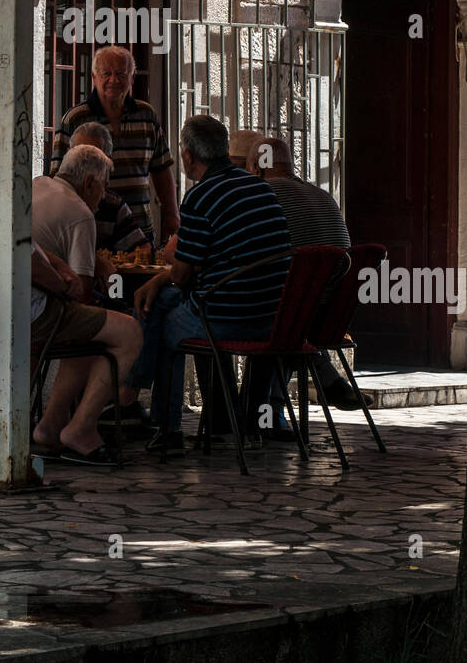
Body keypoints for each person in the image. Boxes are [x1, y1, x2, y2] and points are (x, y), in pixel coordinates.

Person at [0, 95, 142, 466]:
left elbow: (24, 242)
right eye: (0, 137)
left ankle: (51, 424)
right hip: (20, 314)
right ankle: (81, 428)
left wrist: (57, 265)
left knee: (89, 330)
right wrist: (63, 284)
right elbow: (24, 257)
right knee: (130, 332)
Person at [125, 114, 291, 455]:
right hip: (274, 317)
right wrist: (161, 281)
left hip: (227, 317)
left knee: (162, 319)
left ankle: (159, 420)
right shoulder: (260, 188)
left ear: (187, 156)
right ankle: (136, 396)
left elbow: (184, 274)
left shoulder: (200, 198)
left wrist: (158, 280)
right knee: (163, 298)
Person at [243, 133, 367, 430]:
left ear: (258, 168)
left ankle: (255, 417)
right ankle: (287, 405)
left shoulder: (262, 195)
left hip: (289, 317)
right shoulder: (325, 196)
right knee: (291, 308)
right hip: (329, 318)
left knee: (268, 310)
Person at [49, 45, 179, 244]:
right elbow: (58, 179)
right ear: (94, 77)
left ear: (132, 78)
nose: (114, 80)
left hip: (140, 230)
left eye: (121, 73)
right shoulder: (75, 119)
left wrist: (171, 214)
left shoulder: (146, 115)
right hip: (92, 231)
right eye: (106, 73)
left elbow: (161, 168)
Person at [31, 145, 113, 302]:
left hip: (12, 294)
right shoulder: (81, 213)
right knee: (125, 317)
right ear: (89, 183)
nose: (103, 196)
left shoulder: (37, 183)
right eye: (104, 185)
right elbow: (82, 295)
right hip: (43, 304)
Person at [68, 123, 149, 259]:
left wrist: (109, 263)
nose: (82, 163)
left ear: (108, 162)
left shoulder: (112, 204)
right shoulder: (51, 194)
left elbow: (144, 250)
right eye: (77, 153)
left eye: (93, 158)